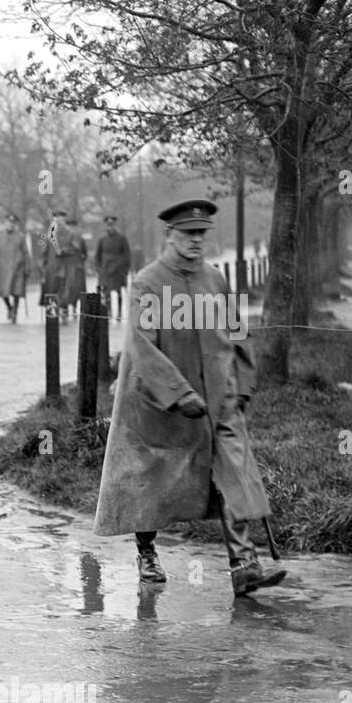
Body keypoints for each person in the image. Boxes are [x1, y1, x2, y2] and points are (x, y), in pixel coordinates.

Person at [93, 198, 287, 597]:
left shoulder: (216, 280)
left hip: (220, 402)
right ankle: (146, 553)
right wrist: (178, 392)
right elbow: (141, 345)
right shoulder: (148, 281)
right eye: (188, 234)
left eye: (201, 234)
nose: (196, 241)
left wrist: (244, 386)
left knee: (235, 474)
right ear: (170, 236)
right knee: (151, 483)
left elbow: (239, 332)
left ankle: (244, 565)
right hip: (161, 404)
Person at [38, 207, 79, 324]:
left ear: (64, 220)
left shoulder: (71, 234)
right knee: (52, 290)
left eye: (61, 219)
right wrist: (41, 267)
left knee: (65, 290)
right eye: (56, 219)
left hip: (66, 267)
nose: (59, 221)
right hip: (52, 268)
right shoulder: (49, 234)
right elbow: (43, 253)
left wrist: (64, 250)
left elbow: (76, 249)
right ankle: (54, 312)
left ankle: (64, 310)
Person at [0, 212, 29, 323]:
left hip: (17, 268)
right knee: (3, 291)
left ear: (15, 224)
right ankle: (9, 307)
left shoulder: (20, 237)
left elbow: (25, 253)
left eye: (12, 223)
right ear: (5, 223)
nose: (10, 225)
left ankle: (15, 312)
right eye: (8, 222)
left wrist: (27, 268)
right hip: (3, 269)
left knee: (16, 291)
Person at [94, 215, 132, 320]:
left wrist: (125, 268)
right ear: (106, 226)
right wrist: (98, 268)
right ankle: (109, 311)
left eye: (112, 225)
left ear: (115, 225)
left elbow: (127, 254)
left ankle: (119, 312)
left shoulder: (122, 238)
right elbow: (97, 255)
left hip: (118, 269)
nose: (110, 227)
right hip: (105, 269)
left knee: (119, 291)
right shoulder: (102, 240)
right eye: (108, 225)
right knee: (106, 292)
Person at [64, 217, 89, 318]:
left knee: (77, 289)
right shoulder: (64, 238)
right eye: (69, 227)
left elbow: (85, 253)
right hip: (67, 266)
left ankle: (74, 308)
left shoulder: (80, 239)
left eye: (72, 227)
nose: (71, 229)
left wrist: (80, 261)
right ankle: (66, 309)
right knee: (67, 288)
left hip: (77, 266)